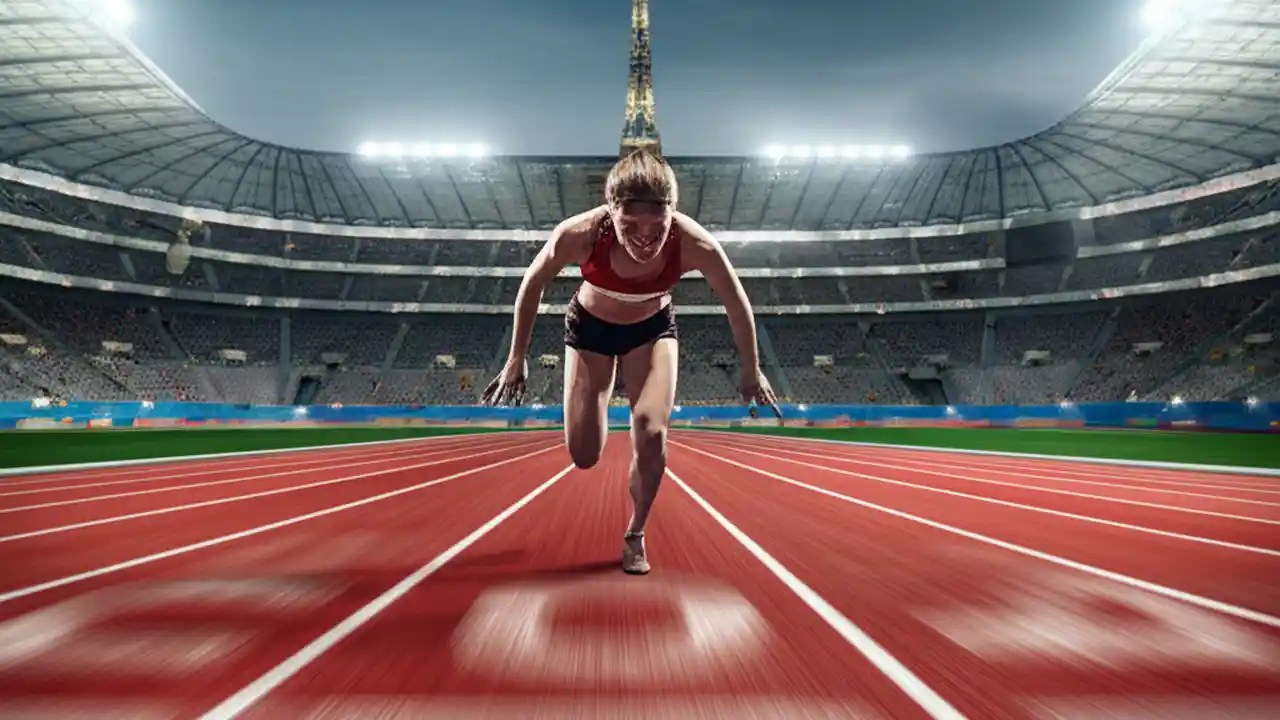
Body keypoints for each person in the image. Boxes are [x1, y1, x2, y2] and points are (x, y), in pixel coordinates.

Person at [482, 147, 780, 574]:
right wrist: (517, 358)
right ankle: (598, 404)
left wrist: (751, 369)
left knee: (652, 432)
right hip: (590, 329)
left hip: (651, 330)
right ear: (610, 210)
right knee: (584, 454)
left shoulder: (694, 243)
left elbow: (736, 301)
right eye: (630, 224)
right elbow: (532, 284)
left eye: (657, 225)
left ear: (673, 213)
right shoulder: (579, 234)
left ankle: (636, 534)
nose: (645, 236)